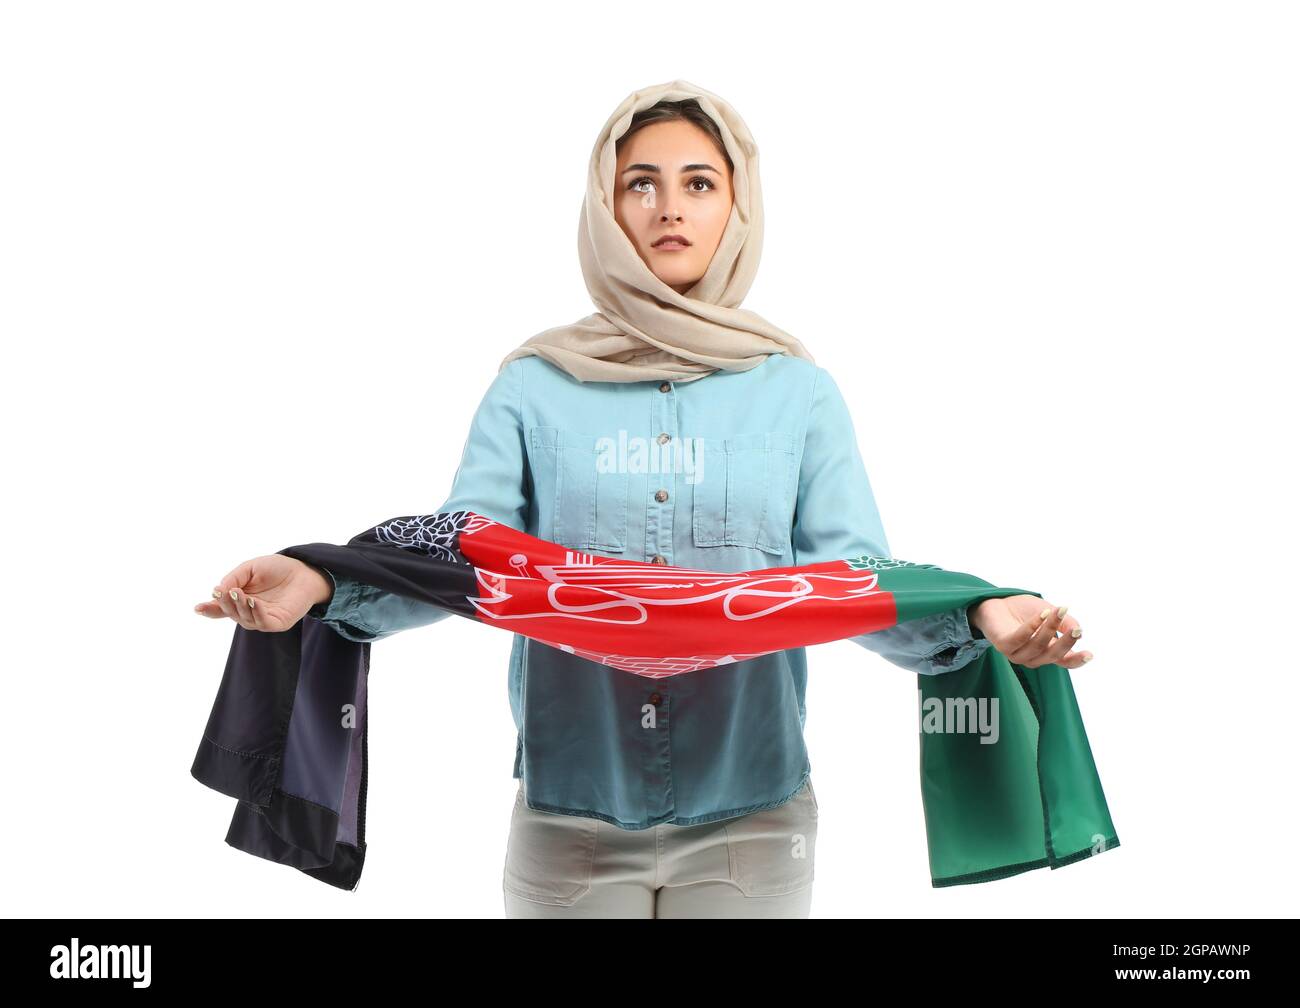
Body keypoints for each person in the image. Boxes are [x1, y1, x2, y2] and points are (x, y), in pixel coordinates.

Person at [194, 80, 1093, 918]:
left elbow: (849, 581)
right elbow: (466, 557)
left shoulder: (797, 392)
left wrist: (980, 615)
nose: (670, 206)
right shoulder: (532, 386)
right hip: (569, 822)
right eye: (641, 184)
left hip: (753, 820)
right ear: (605, 207)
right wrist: (320, 582)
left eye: (699, 183)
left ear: (736, 207)